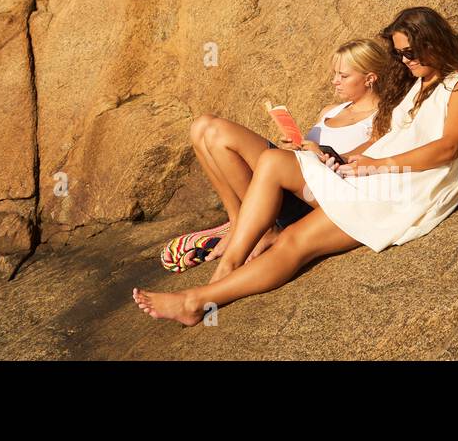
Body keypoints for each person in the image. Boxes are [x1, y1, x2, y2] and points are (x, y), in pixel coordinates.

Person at [135, 6, 458, 325]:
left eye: (410, 52)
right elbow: (389, 138)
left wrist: (378, 165)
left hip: (402, 194)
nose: (406, 61)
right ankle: (226, 268)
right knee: (276, 171)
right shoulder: (420, 86)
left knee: (292, 231)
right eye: (401, 55)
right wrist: (345, 158)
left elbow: (448, 148)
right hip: (376, 180)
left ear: (433, 42)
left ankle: (196, 300)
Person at [162, 38, 397, 272]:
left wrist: (320, 153)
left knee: (218, 132)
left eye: (343, 76)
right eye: (334, 73)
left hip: (319, 198)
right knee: (201, 126)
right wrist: (297, 147)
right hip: (289, 181)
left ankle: (267, 229)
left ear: (370, 78)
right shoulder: (330, 111)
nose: (334, 81)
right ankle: (237, 221)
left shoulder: (381, 118)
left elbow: (364, 163)